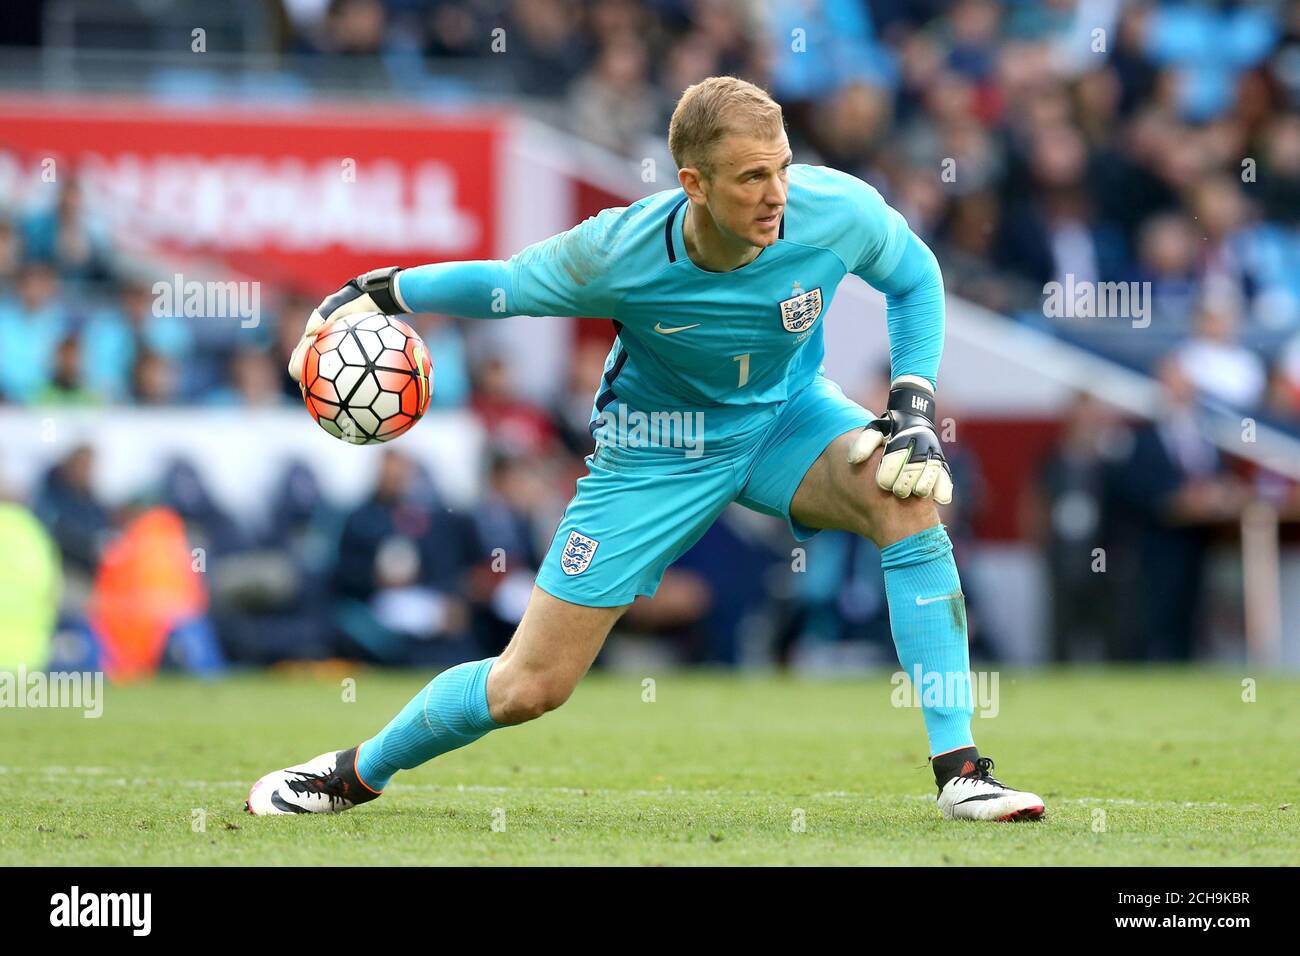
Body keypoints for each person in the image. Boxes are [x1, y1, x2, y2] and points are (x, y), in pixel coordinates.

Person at [248, 77, 1044, 822]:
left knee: (907, 496)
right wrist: (380, 290)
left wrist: (912, 400)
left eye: (782, 169)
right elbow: (506, 285)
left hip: (784, 420)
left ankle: (962, 773)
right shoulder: (617, 251)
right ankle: (352, 773)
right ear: (692, 185)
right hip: (654, 450)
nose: (775, 197)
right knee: (530, 686)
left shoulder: (835, 210)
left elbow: (916, 278)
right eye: (749, 179)